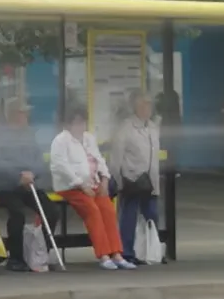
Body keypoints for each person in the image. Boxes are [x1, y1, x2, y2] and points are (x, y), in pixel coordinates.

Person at [50, 108, 133, 270]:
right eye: (77, 123)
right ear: (68, 124)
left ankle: (116, 254)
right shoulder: (61, 141)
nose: (81, 126)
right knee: (92, 210)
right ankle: (103, 255)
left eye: (83, 122)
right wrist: (81, 184)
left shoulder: (89, 138)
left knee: (108, 210)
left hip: (93, 184)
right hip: (70, 187)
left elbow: (99, 160)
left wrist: (105, 179)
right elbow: (60, 166)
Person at [0, 101, 42, 272]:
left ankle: (40, 254)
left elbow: (39, 160)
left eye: (26, 113)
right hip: (5, 185)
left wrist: (32, 174)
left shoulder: (29, 134)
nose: (25, 117)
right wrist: (18, 176)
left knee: (50, 210)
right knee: (17, 212)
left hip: (28, 184)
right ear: (12, 115)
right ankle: (15, 258)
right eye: (22, 113)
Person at [112, 94, 163, 265]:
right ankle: (127, 252)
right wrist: (119, 180)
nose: (147, 109)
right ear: (136, 108)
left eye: (149, 106)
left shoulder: (154, 128)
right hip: (131, 179)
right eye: (143, 106)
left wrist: (156, 182)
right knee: (129, 216)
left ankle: (150, 251)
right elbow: (116, 157)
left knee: (151, 215)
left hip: (150, 180)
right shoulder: (126, 128)